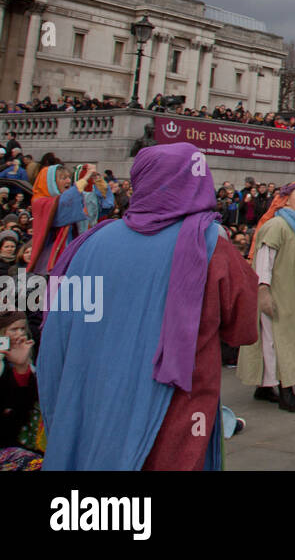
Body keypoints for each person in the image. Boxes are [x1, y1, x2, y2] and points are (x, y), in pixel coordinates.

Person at [37, 143, 259, 469]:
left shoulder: (89, 243)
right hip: (173, 412)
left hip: (93, 404)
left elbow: (57, 336)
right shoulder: (211, 245)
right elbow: (243, 330)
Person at [237, 182, 295, 412]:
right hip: (278, 296)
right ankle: (285, 391)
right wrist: (263, 289)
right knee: (276, 344)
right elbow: (264, 260)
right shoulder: (276, 225)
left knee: (288, 342)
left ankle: (264, 387)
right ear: (286, 198)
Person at [0, 311, 43, 470]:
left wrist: (21, 368)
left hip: (13, 445)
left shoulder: (25, 367)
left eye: (22, 329)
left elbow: (19, 415)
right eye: (13, 330)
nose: (19, 334)